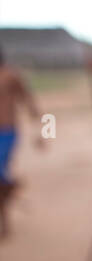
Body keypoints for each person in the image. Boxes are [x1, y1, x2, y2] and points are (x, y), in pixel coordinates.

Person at [0, 45, 44, 238]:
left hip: (7, 132)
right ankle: (10, 188)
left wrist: (45, 134)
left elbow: (31, 102)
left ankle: (5, 221)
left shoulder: (11, 75)